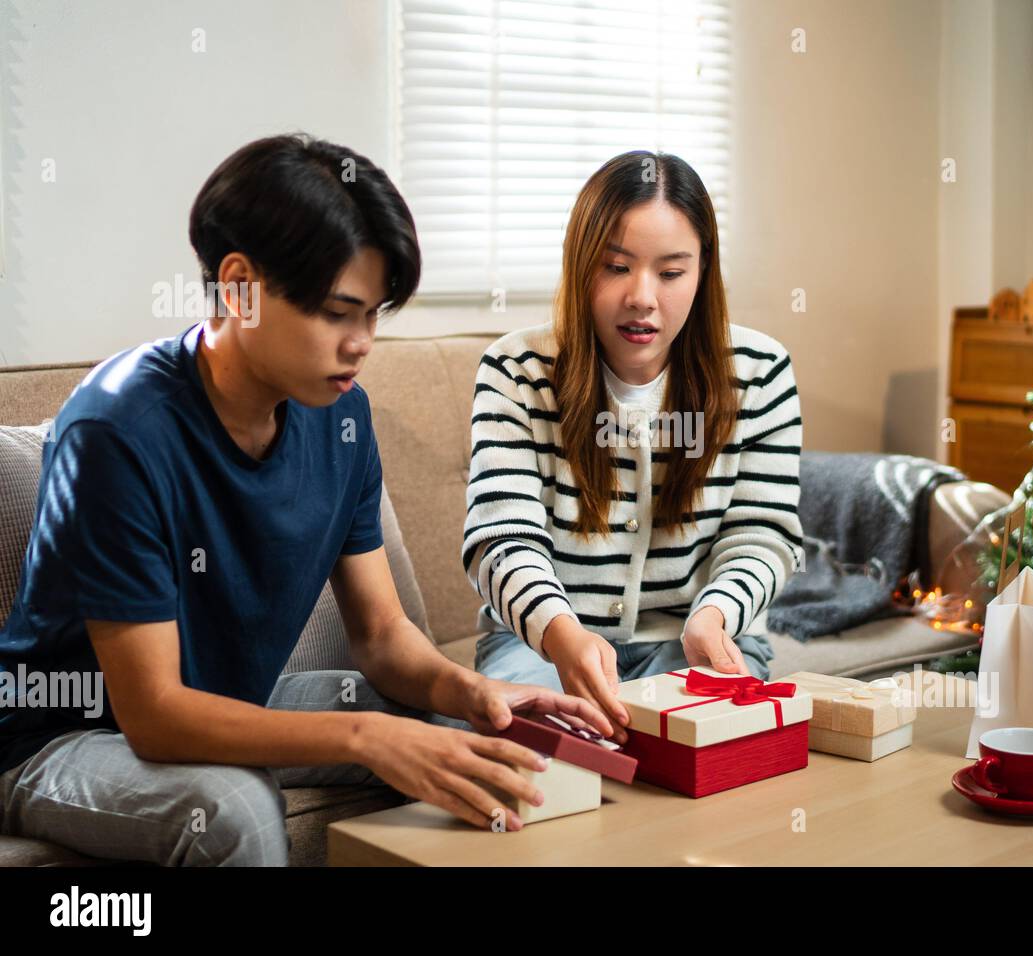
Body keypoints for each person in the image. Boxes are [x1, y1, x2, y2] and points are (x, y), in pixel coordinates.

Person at [0, 134, 611, 865]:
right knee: (234, 809)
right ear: (240, 285)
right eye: (336, 313)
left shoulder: (342, 418)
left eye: (373, 314)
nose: (361, 344)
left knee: (450, 733)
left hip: (228, 701)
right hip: (62, 736)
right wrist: (365, 739)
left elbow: (382, 635)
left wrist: (471, 691)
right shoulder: (118, 429)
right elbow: (154, 716)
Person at [465, 150, 804, 739]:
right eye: (615, 267)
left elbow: (763, 533)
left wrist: (714, 615)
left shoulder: (759, 372)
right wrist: (562, 633)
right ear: (579, 265)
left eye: (671, 273)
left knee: (698, 754)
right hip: (544, 645)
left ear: (703, 272)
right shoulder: (515, 372)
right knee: (550, 752)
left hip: (697, 640)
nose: (643, 297)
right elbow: (502, 539)